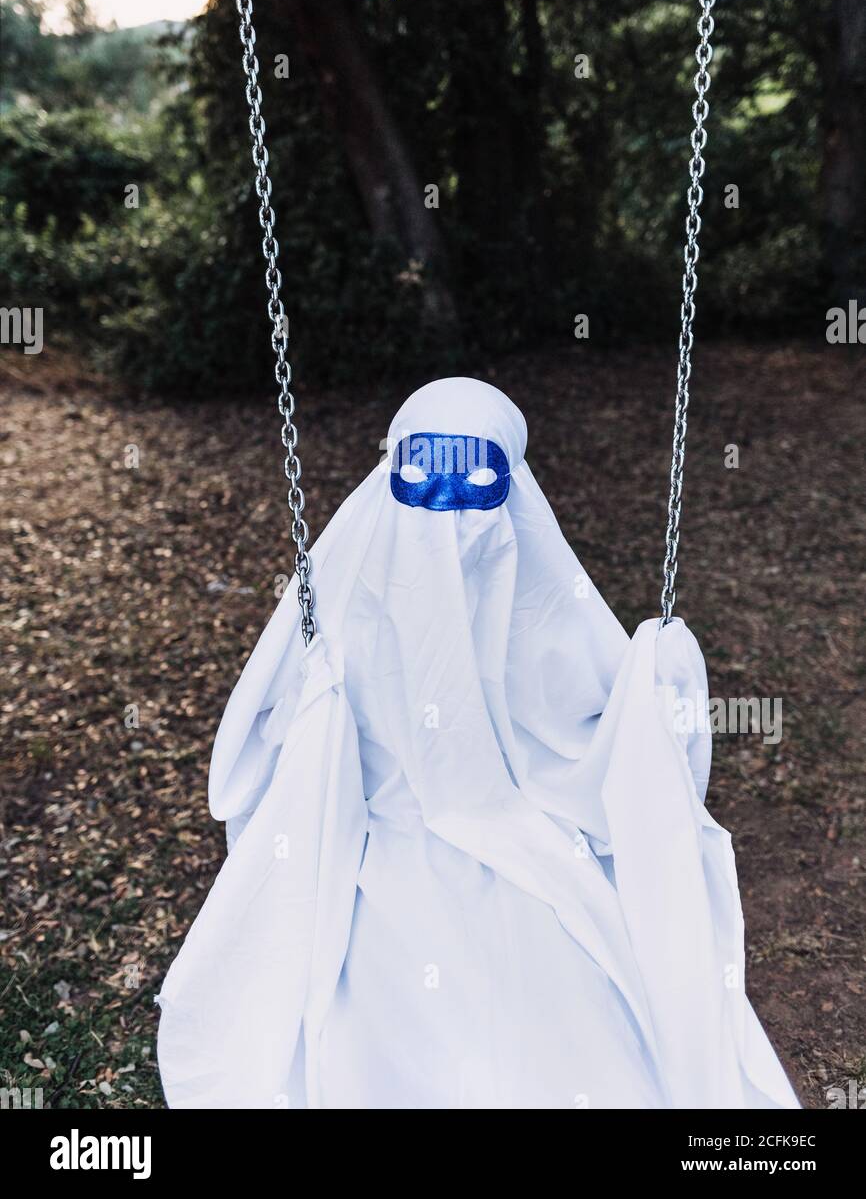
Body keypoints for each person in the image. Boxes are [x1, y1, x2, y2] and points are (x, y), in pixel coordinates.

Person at [157, 377, 799, 1110]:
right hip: (382, 842)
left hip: (525, 835)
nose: (445, 509)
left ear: (514, 484)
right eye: (424, 477)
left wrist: (656, 680)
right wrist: (316, 713)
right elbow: (267, 738)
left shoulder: (543, 596)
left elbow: (586, 733)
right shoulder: (348, 588)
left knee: (559, 1012)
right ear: (391, 469)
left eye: (476, 481)